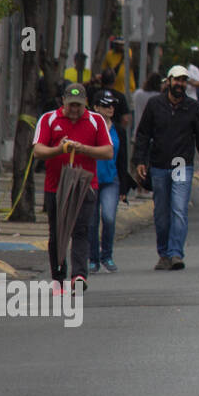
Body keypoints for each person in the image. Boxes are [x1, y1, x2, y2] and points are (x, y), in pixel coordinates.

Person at [32, 84, 115, 294]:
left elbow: (107, 152)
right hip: (55, 186)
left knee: (82, 229)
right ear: (63, 102)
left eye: (78, 106)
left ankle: (79, 275)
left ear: (85, 103)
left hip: (85, 185)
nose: (75, 110)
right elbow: (38, 151)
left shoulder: (96, 121)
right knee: (58, 232)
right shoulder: (49, 119)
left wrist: (83, 148)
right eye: (71, 105)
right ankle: (58, 277)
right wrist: (60, 149)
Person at [132, 67, 199, 271]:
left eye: (184, 81)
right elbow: (143, 134)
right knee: (161, 211)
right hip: (159, 165)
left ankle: (176, 253)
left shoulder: (192, 107)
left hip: (181, 164)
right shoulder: (155, 105)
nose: (180, 84)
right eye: (177, 80)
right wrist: (139, 161)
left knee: (179, 208)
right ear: (168, 81)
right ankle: (164, 254)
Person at [86, 90, 123, 274]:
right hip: (91, 179)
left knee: (108, 217)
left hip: (111, 180)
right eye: (106, 105)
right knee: (91, 221)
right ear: (96, 107)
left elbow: (122, 159)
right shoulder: (89, 127)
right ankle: (93, 259)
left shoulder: (118, 130)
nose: (110, 108)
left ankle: (106, 255)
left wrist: (124, 185)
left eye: (112, 105)